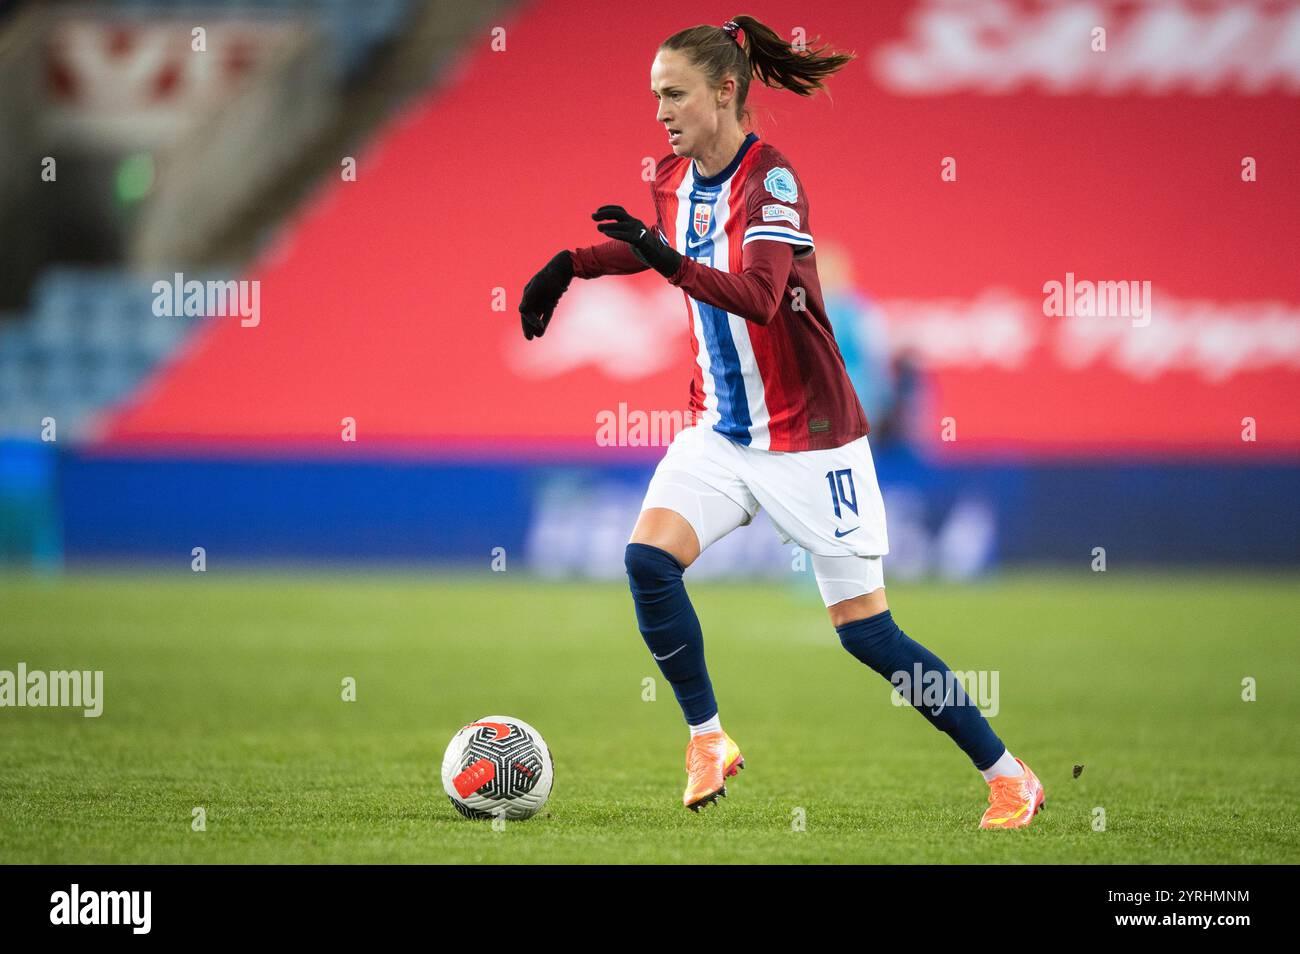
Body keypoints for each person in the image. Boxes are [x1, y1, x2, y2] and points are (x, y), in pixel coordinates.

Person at [517, 16, 1043, 828]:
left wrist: (663, 260)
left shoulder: (774, 183)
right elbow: (661, 241)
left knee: (869, 637)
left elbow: (761, 297)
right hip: (721, 432)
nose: (660, 110)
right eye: (655, 94)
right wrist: (575, 264)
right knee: (647, 561)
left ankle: (1008, 774)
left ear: (725, 91)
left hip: (811, 439)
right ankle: (708, 737)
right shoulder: (674, 172)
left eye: (674, 93)